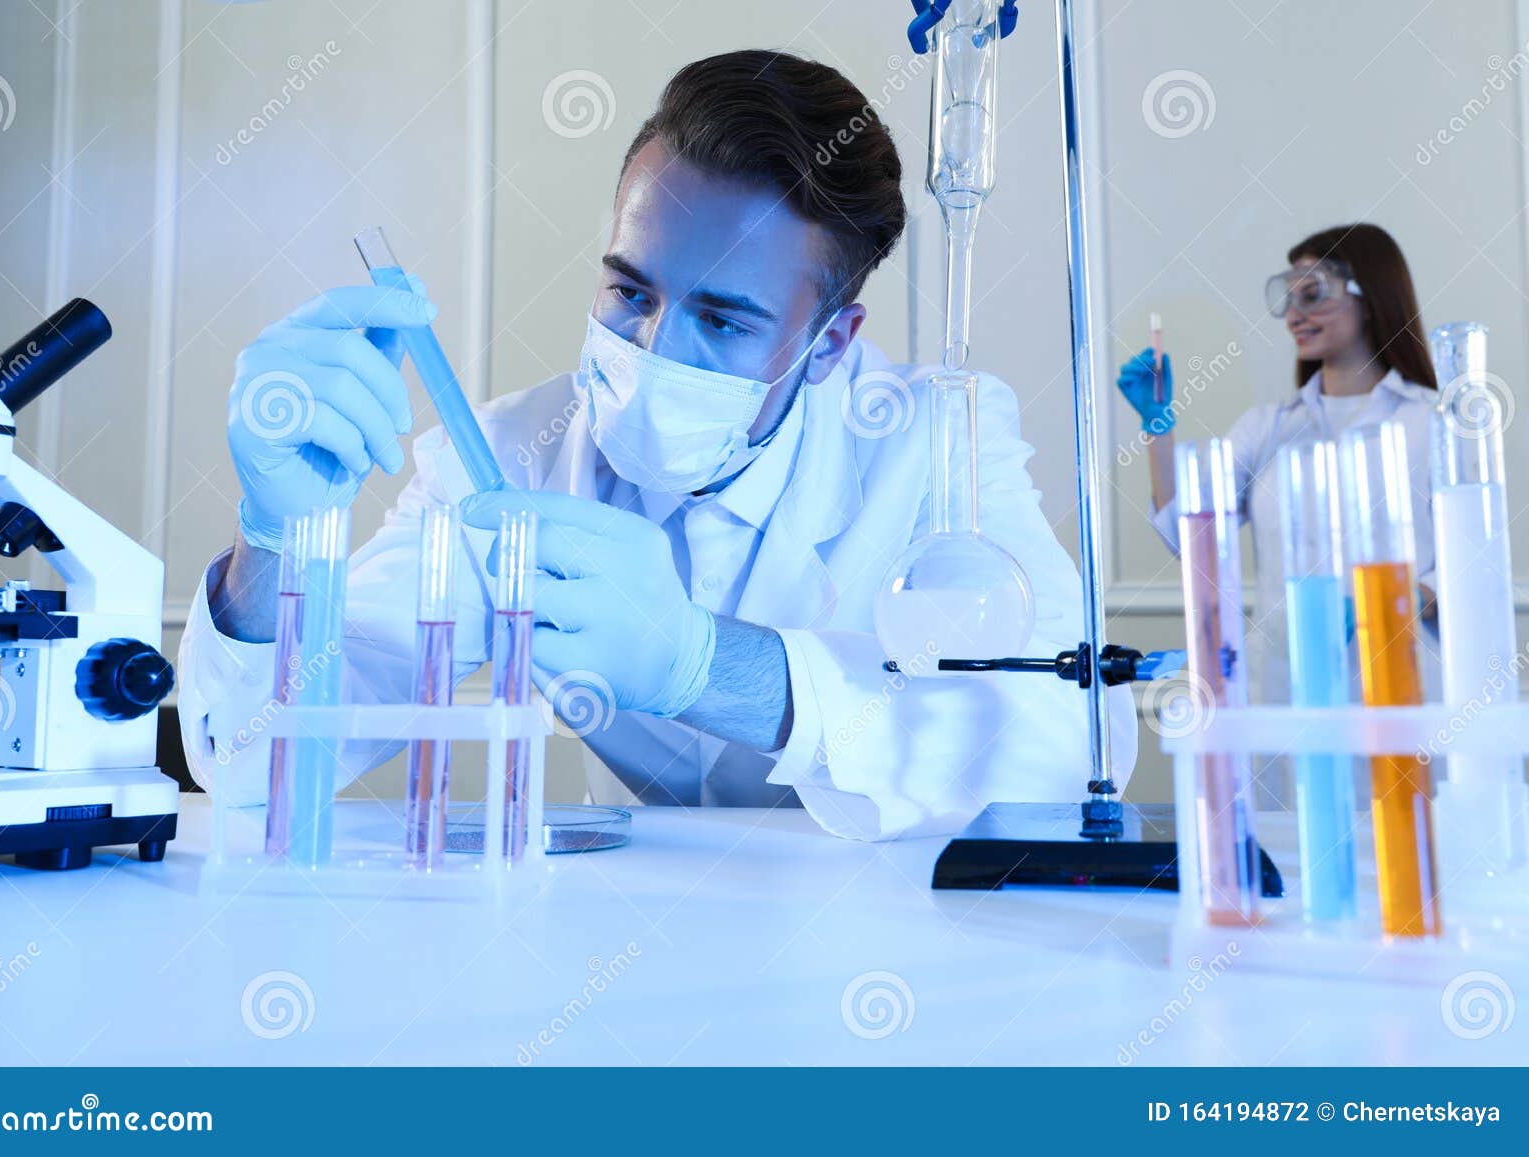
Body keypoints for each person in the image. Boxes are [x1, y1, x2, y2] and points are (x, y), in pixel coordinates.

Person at [179, 50, 1137, 841]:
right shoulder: (510, 455)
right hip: (635, 934)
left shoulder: (930, 443)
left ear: (829, 343)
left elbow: (1071, 740)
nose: (650, 350)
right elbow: (256, 762)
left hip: (885, 948)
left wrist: (704, 663)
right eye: (631, 292)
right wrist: (270, 542)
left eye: (722, 321)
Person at [1116, 223, 1440, 709]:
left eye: (1312, 294)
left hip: (1406, 690)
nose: (1293, 315)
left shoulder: (1433, 420)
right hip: (1288, 693)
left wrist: (1398, 599)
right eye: (1287, 298)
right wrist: (1158, 426)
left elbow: (1474, 564)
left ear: (1370, 296)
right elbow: (1191, 536)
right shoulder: (1267, 429)